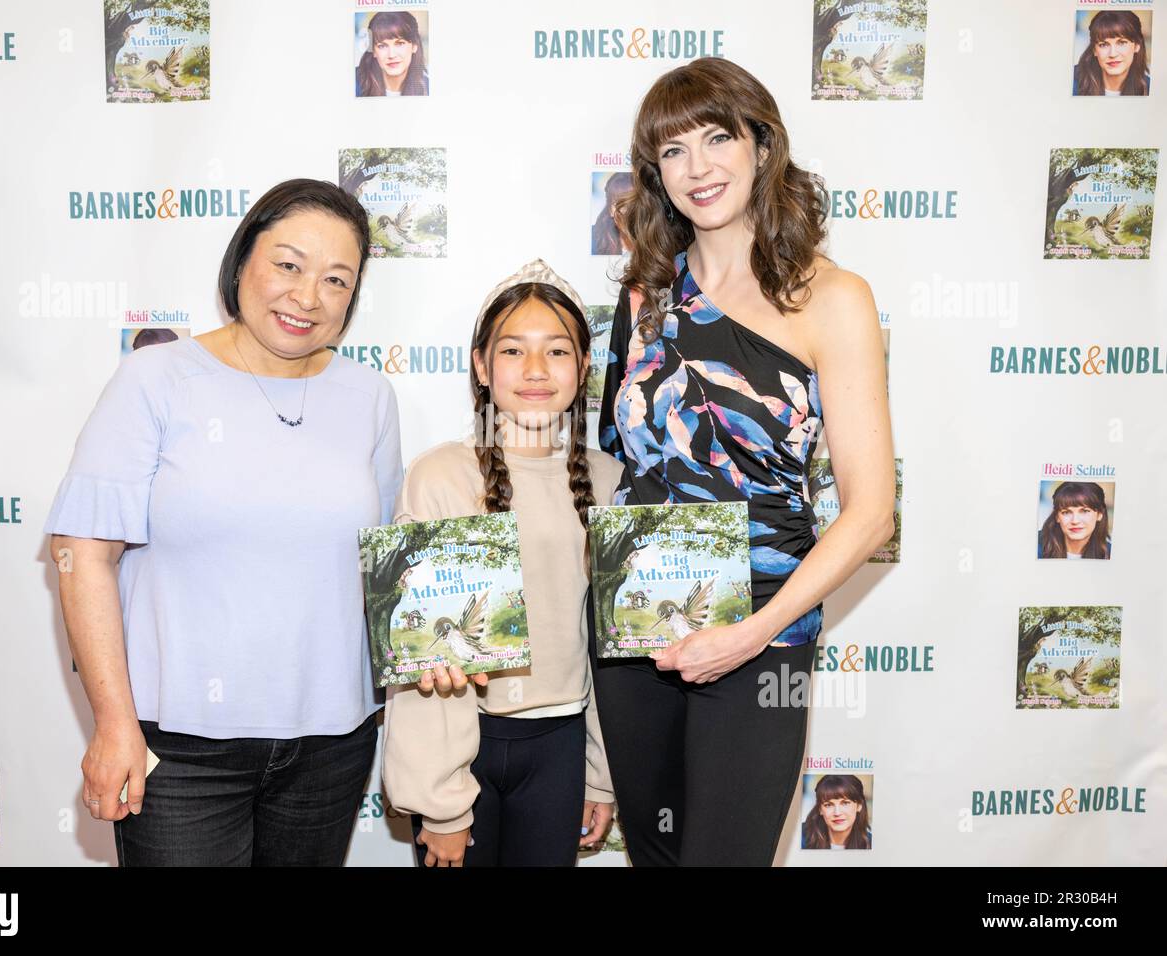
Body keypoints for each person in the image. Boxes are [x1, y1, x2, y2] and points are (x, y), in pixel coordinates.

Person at [45, 178, 402, 866]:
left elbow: (381, 567)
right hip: (178, 753)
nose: (308, 298)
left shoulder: (370, 396)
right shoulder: (154, 380)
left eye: (336, 280)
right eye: (289, 265)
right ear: (242, 262)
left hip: (332, 745)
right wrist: (115, 726)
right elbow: (83, 553)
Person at [595, 57, 895, 866]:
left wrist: (752, 635)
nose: (698, 168)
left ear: (762, 146)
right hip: (639, 630)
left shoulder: (831, 297)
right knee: (654, 855)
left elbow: (870, 513)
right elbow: (626, 467)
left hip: (765, 631)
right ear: (654, 174)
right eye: (673, 151)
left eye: (716, 138)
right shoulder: (643, 297)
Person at [381, 260, 622, 866]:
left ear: (584, 367)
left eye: (558, 352)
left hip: (561, 748)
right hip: (467, 748)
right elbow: (426, 663)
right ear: (482, 366)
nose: (536, 371)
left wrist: (598, 774)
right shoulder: (441, 477)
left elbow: (608, 649)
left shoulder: (611, 481)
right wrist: (440, 804)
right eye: (513, 350)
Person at [1073, 10, 1150, 96]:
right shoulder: (1072, 82)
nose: (1113, 54)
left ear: (1136, 46)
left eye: (1121, 43)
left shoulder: (1150, 88)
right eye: (1104, 45)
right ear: (1094, 50)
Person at [356, 11, 429, 97]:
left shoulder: (429, 88)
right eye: (382, 46)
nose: (392, 55)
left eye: (400, 44)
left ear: (414, 46)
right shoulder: (354, 84)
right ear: (373, 51)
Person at [1038, 481, 1112, 559]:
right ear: (1057, 517)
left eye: (1084, 511)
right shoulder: (1036, 546)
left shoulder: (1111, 554)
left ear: (1099, 514)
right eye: (1066, 512)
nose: (1075, 521)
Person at [801, 774, 872, 849]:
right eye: (828, 805)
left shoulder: (871, 844)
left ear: (859, 805)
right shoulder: (800, 837)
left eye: (845, 803)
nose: (837, 813)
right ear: (820, 809)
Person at [592, 172, 633, 255]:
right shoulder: (593, 240)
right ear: (610, 210)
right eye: (618, 204)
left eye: (631, 203)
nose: (624, 211)